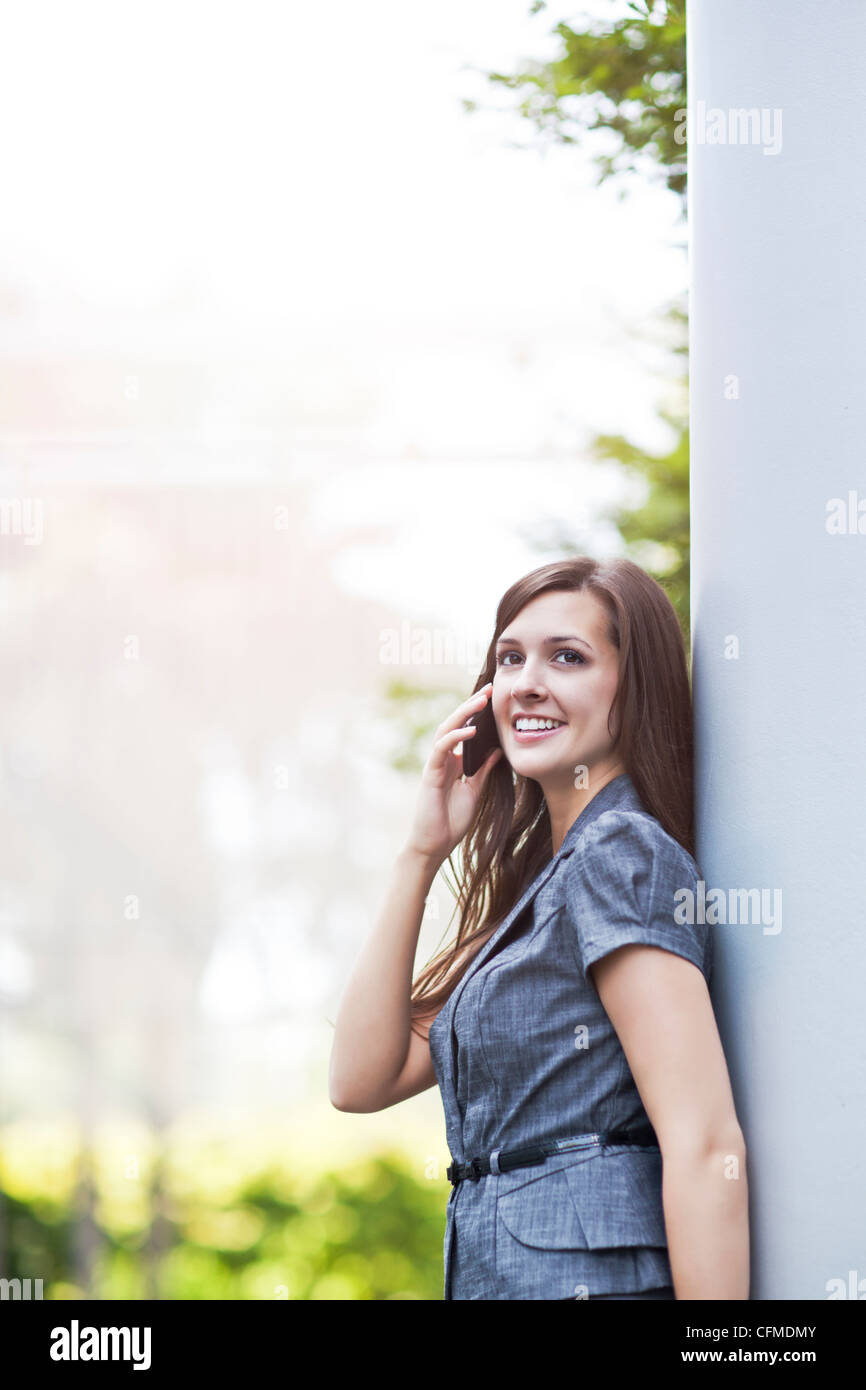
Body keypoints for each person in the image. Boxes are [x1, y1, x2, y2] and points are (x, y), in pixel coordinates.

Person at [330, 556, 749, 1300]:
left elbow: (704, 1140)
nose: (525, 682)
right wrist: (420, 855)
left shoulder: (621, 853)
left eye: (568, 657)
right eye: (510, 657)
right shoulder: (543, 886)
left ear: (633, 685)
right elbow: (361, 1079)